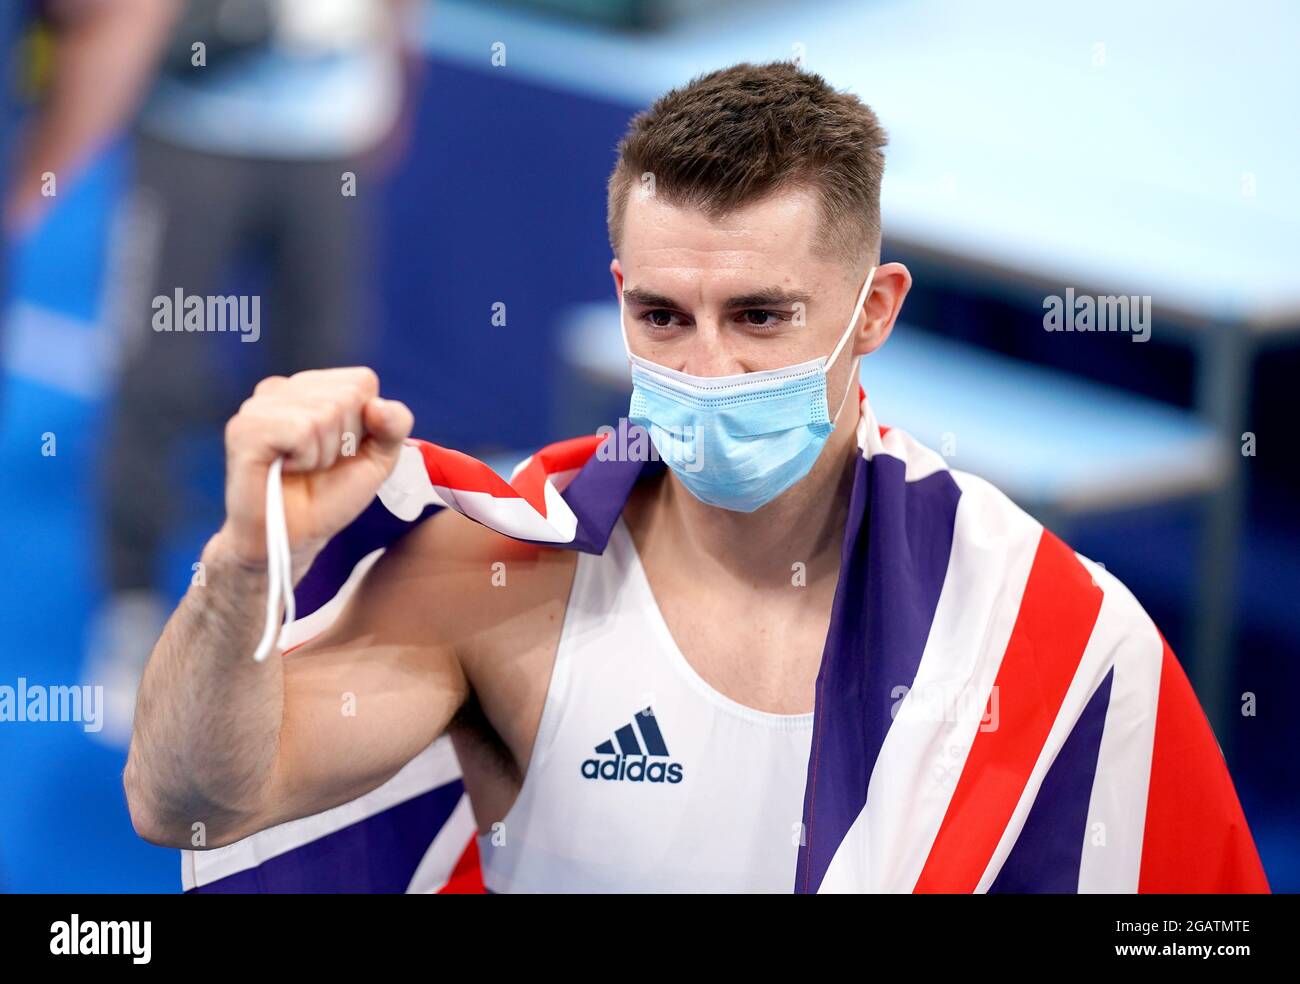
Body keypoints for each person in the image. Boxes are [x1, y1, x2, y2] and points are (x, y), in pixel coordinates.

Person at [122, 62, 1268, 893]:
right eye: (661, 316)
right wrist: (239, 568)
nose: (706, 370)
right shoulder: (500, 580)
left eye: (760, 317)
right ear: (618, 291)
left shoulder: (1043, 627)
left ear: (873, 311)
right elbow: (187, 803)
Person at [83, 0, 419, 747]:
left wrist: (398, 71)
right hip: (191, 134)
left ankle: (303, 609)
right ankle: (130, 607)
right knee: (157, 372)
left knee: (326, 387)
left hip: (329, 139)